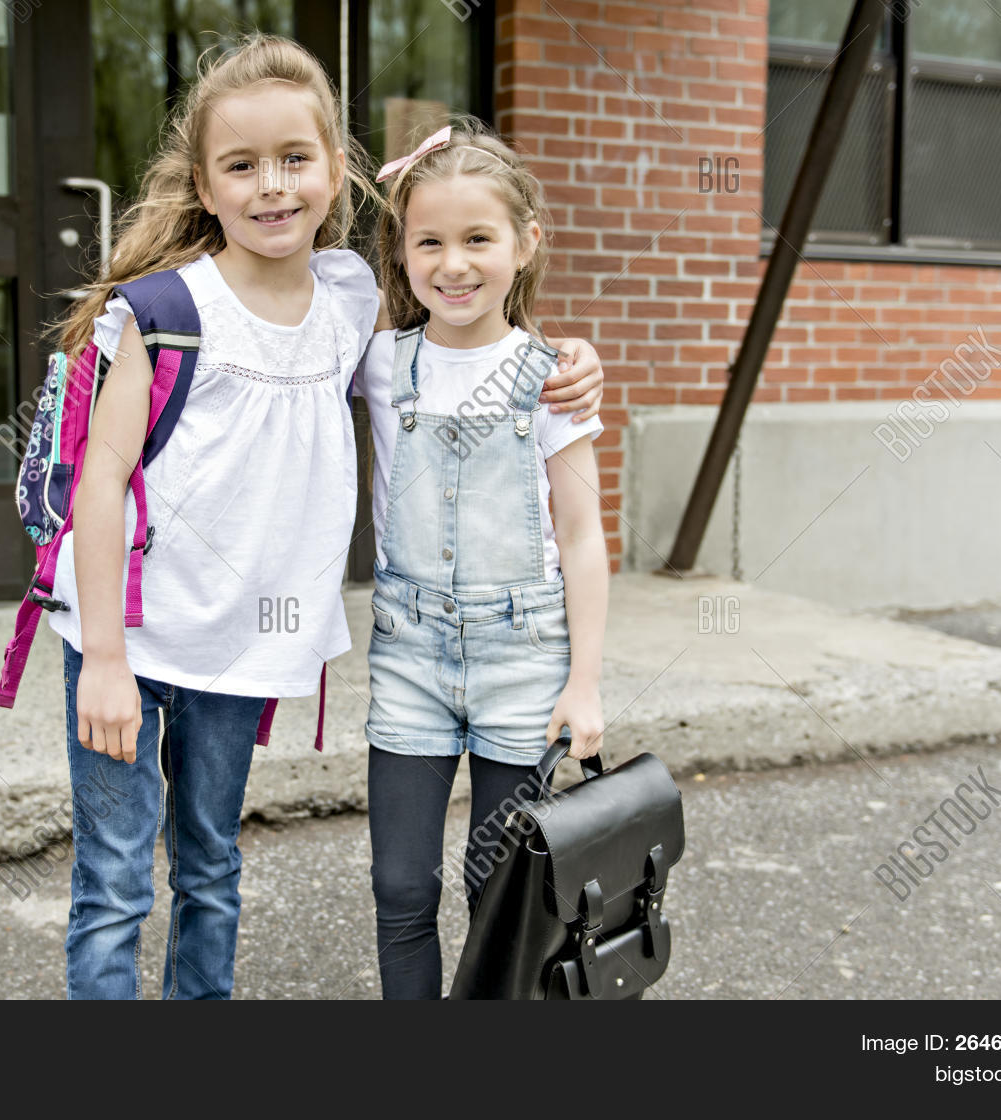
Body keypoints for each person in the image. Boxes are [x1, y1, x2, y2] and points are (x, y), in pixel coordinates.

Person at [45, 36, 605, 999]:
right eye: (242, 165)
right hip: (126, 643)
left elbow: (462, 347)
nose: (273, 186)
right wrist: (100, 656)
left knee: (212, 868)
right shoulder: (161, 310)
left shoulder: (348, 298)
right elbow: (101, 484)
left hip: (237, 647)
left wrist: (568, 358)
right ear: (205, 185)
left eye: (295, 160)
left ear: (336, 172)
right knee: (114, 880)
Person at [356, 119, 612, 999]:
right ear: (402, 247)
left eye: (478, 239)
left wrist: (585, 683)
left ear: (525, 243)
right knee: (401, 887)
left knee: (497, 886)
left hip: (524, 657)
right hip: (411, 655)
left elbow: (582, 536)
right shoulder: (378, 363)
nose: (453, 264)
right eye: (429, 240)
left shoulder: (551, 374)